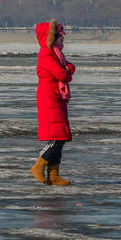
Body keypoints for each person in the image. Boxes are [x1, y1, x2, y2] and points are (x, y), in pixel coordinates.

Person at [30, 20, 75, 186]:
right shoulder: (46, 54)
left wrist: (68, 70)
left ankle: (54, 174)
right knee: (57, 137)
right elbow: (61, 73)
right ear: (51, 38)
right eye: (60, 37)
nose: (62, 40)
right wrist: (67, 72)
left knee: (61, 135)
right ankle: (39, 165)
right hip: (49, 98)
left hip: (57, 98)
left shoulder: (56, 53)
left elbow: (68, 67)